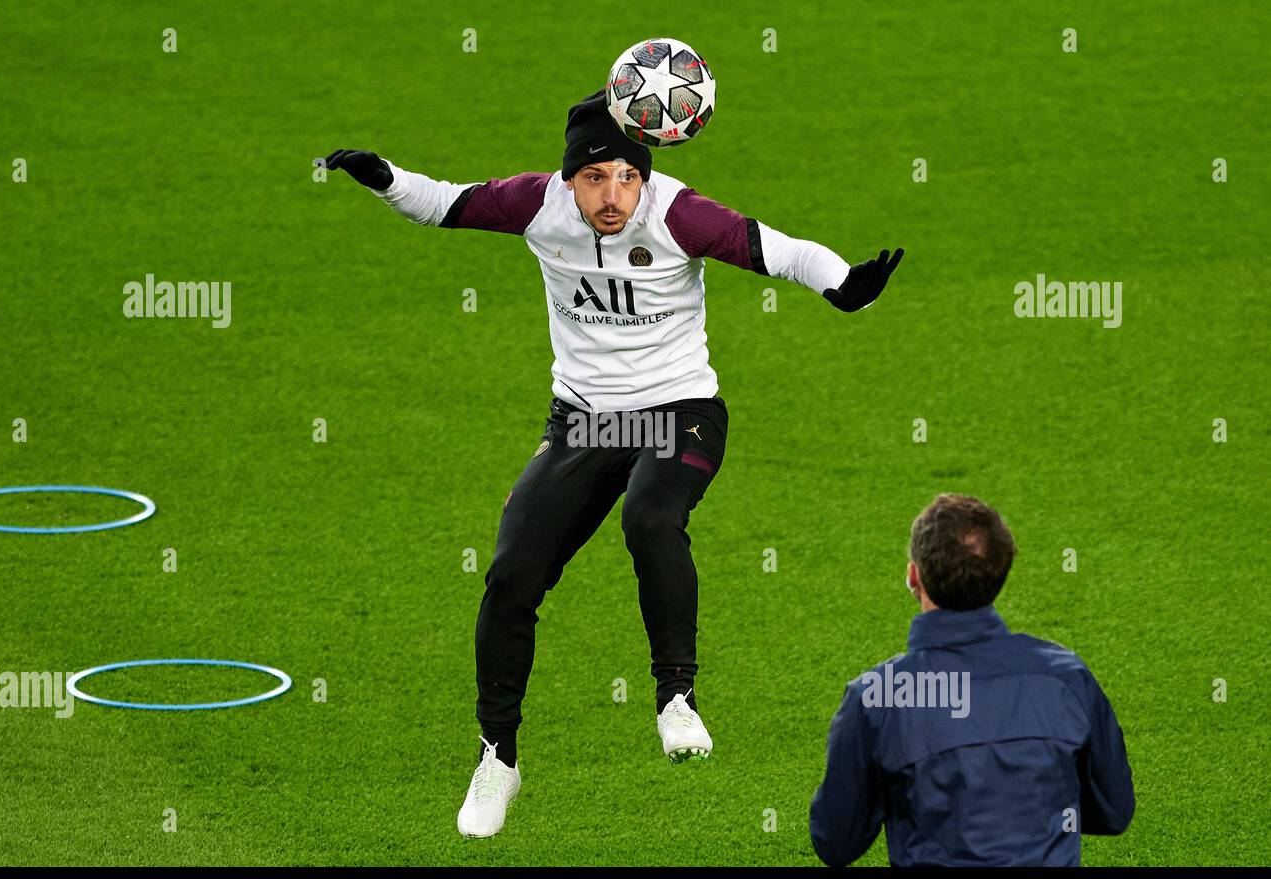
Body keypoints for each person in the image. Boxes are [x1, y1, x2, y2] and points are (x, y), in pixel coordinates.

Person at [325, 88, 904, 839]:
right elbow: (443, 204)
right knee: (510, 576)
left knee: (651, 516)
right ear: (568, 179)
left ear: (645, 171)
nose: (611, 196)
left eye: (626, 176)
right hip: (583, 424)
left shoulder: (678, 214)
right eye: (594, 177)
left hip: (679, 412)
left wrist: (842, 288)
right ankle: (498, 757)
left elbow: (780, 250)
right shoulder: (537, 206)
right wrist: (383, 177)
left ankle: (675, 699)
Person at [810, 493, 1135, 865]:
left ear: (913, 576)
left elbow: (835, 842)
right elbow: (1114, 811)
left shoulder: (877, 698)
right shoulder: (1066, 678)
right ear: (1001, 571)